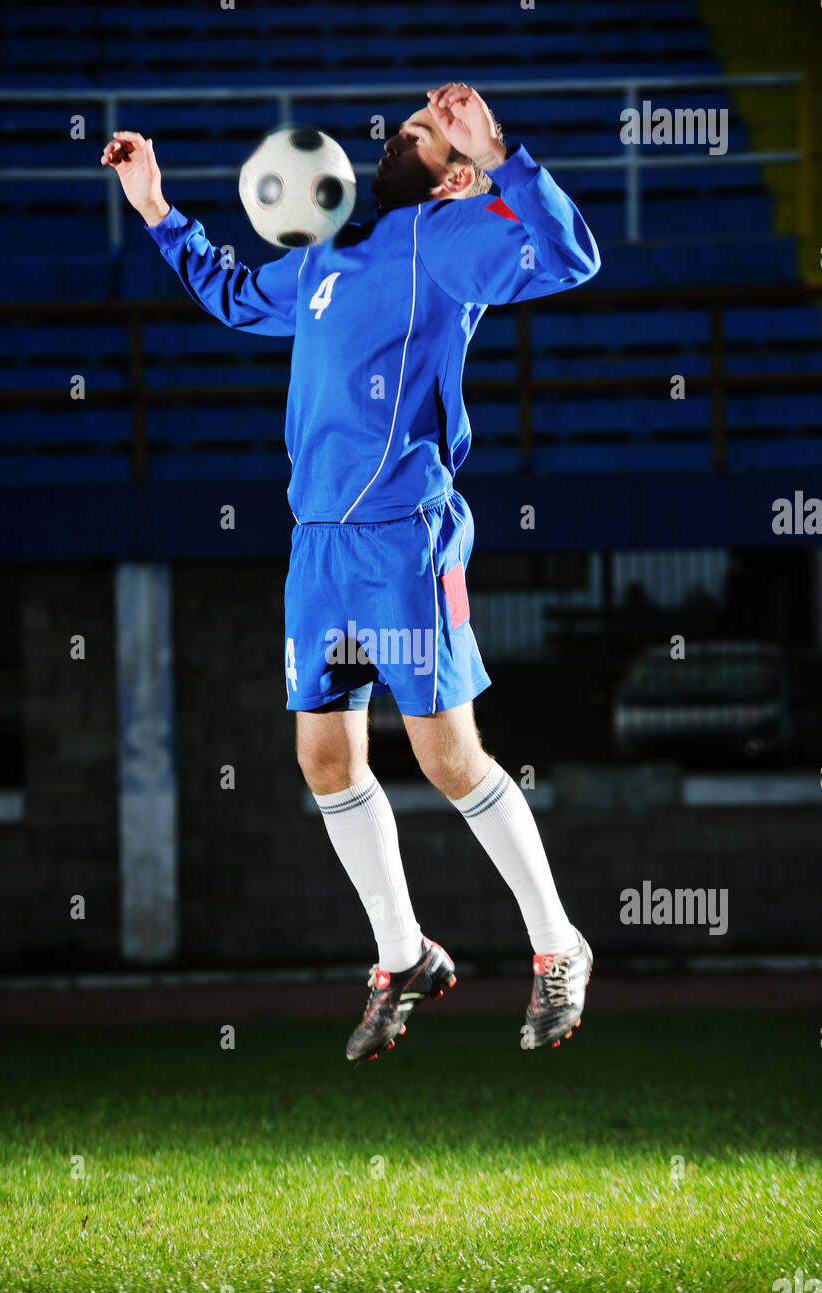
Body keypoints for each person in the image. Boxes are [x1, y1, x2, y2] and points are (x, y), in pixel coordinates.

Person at [102, 81, 599, 1063]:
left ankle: (557, 943)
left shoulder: (450, 238)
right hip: (319, 544)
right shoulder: (330, 254)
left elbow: (568, 256)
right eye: (410, 126)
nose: (395, 141)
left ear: (452, 171)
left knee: (447, 759)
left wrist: (494, 154)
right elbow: (241, 299)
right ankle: (402, 953)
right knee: (323, 760)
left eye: (419, 135)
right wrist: (157, 208)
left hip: (400, 539)